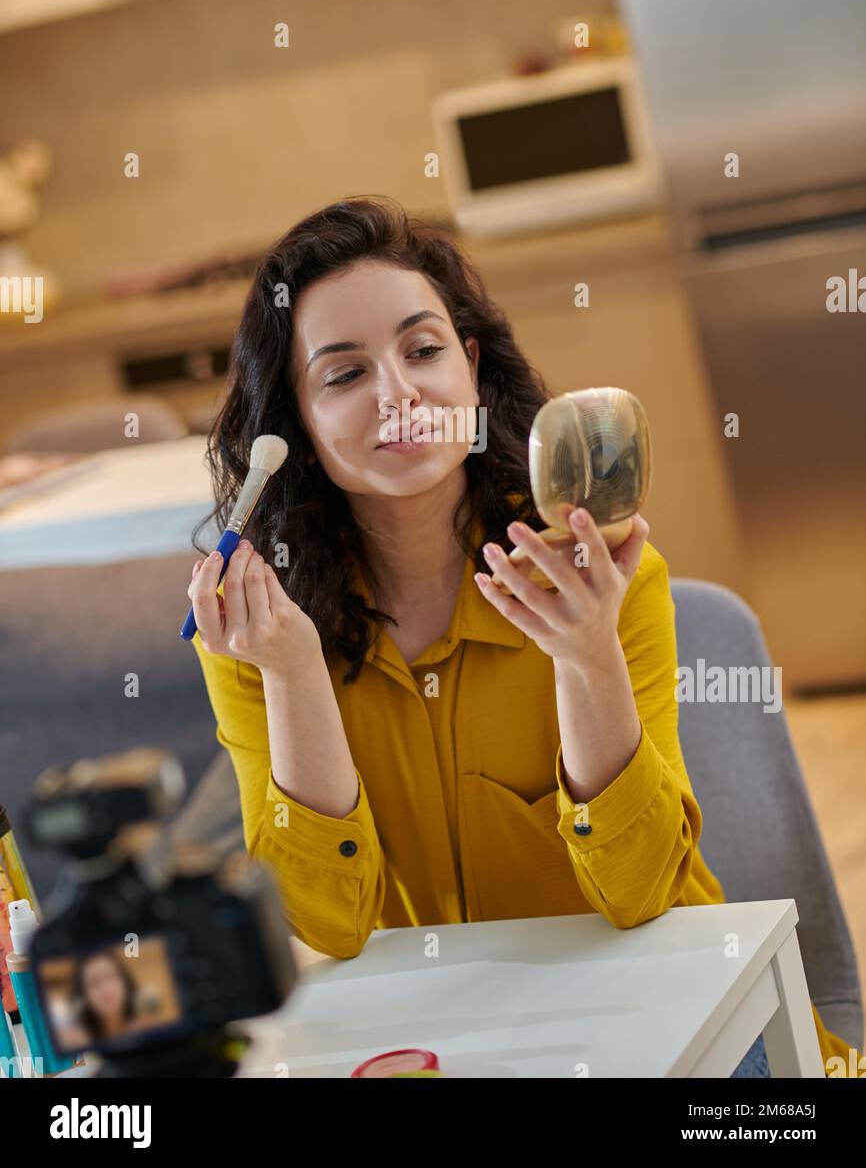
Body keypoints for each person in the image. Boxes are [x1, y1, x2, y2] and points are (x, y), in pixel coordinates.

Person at [188, 196, 857, 1078]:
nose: (400, 395)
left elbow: (639, 894)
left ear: (468, 368)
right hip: (460, 1046)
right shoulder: (259, 634)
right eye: (344, 376)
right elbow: (327, 922)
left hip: (688, 1024)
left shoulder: (603, 579)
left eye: (423, 351)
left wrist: (586, 656)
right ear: (297, 426)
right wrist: (298, 674)